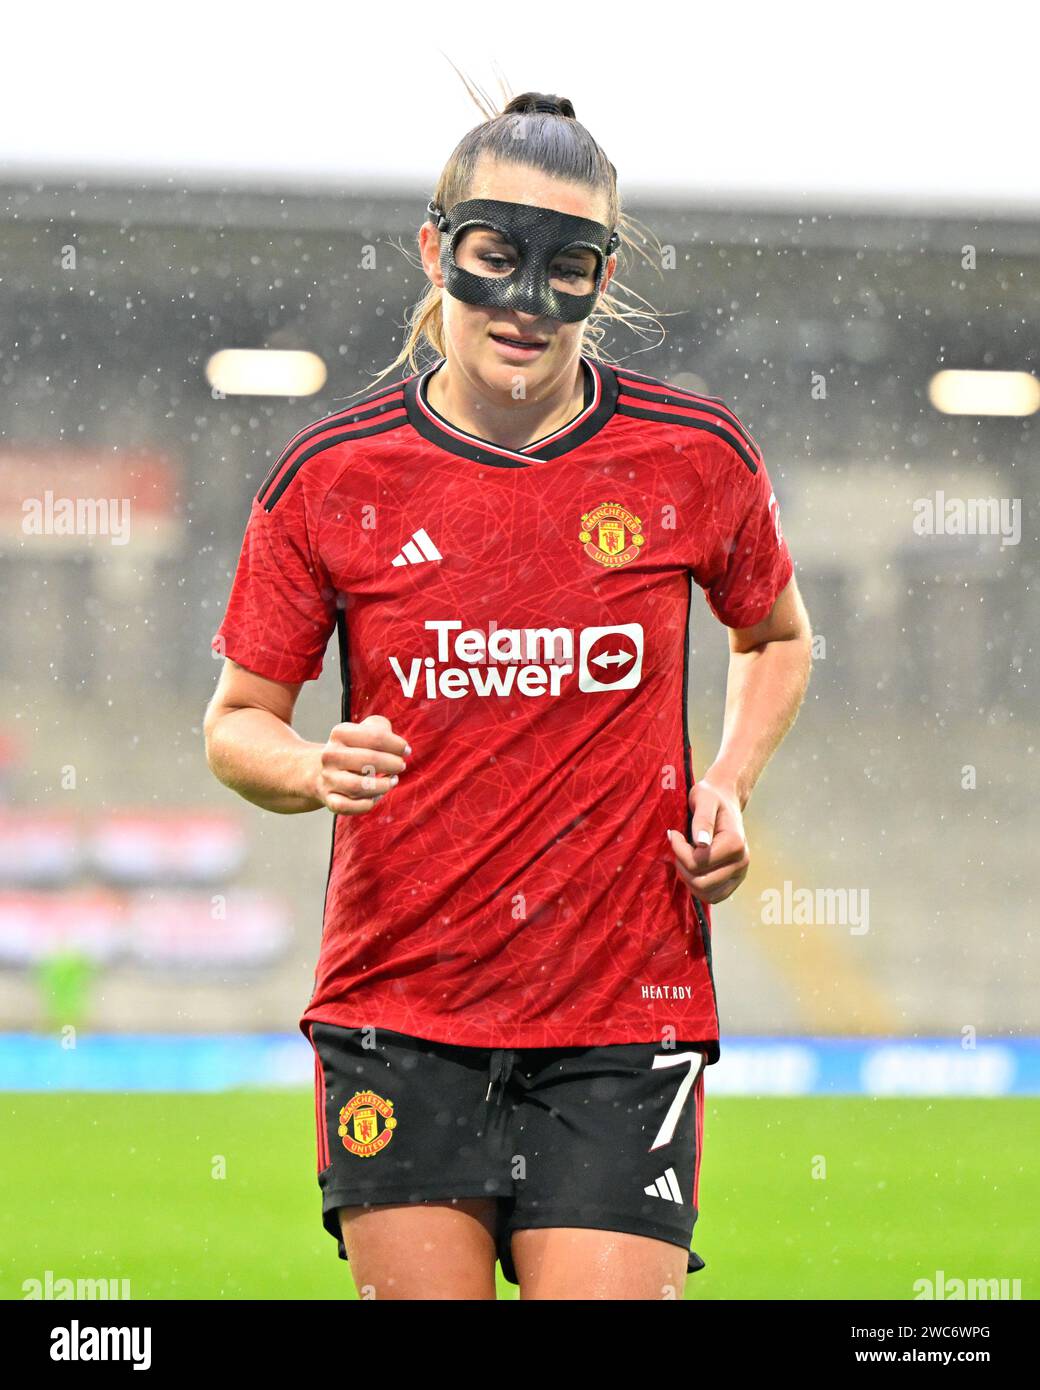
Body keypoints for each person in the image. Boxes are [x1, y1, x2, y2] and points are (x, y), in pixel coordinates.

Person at [204, 87, 812, 1301]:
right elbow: (235, 725)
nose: (526, 305)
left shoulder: (694, 457)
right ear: (437, 250)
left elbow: (776, 636)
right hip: (400, 1010)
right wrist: (314, 766)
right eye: (494, 259)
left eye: (568, 267)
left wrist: (728, 784)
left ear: (602, 275)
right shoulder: (331, 478)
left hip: (620, 1016)